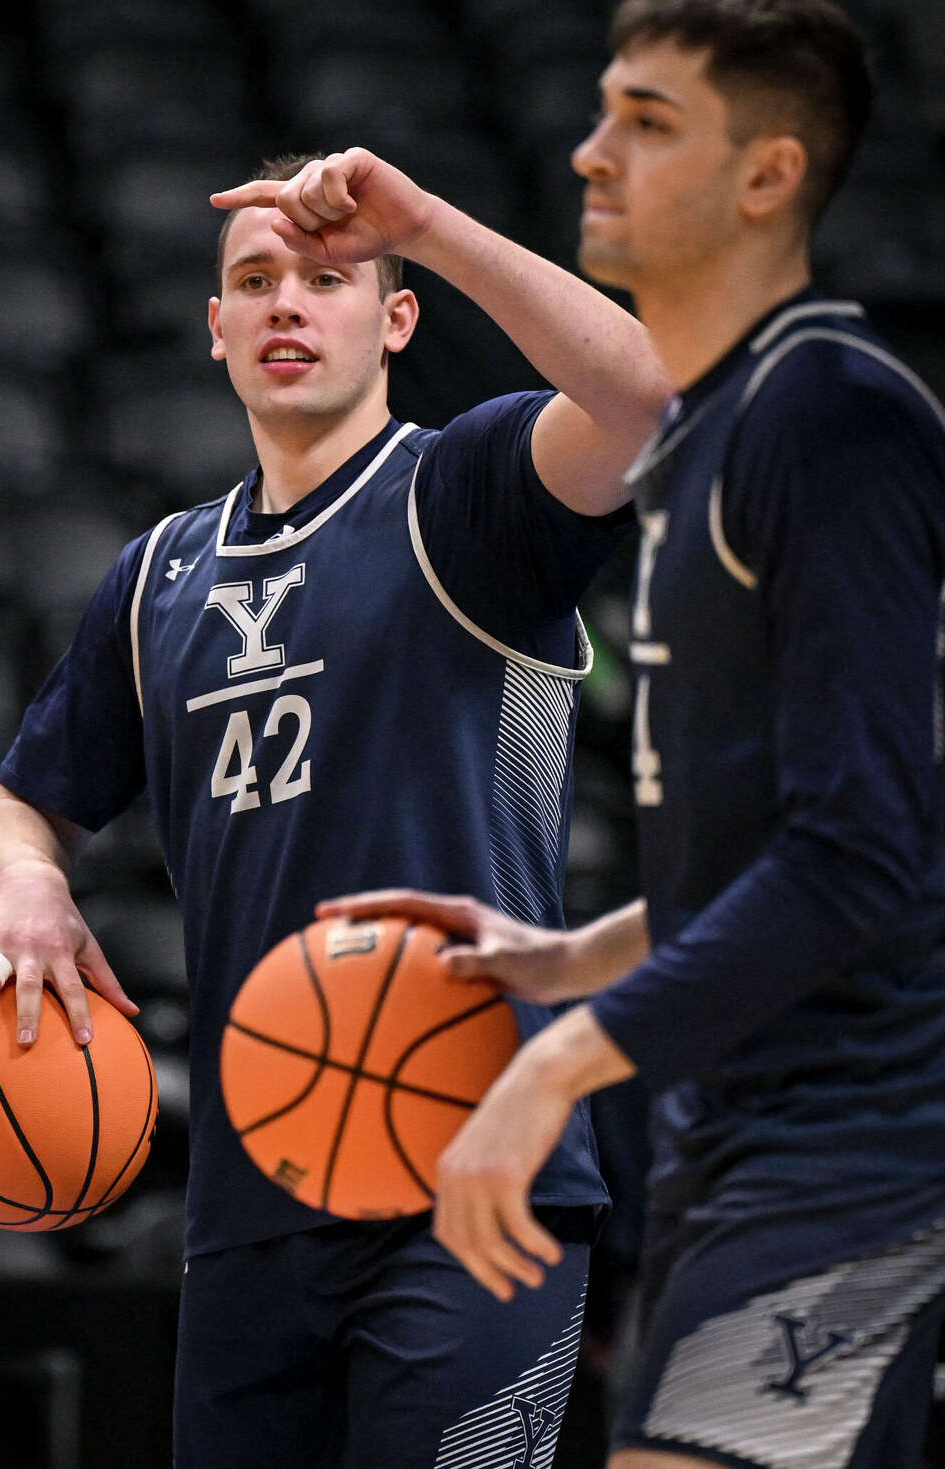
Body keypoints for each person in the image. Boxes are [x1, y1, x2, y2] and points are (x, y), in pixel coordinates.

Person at [0, 149, 670, 1468]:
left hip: (475, 1179)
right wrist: (29, 880)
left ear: (395, 318)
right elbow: (16, 810)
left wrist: (432, 228)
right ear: (215, 329)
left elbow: (642, 396)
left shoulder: (465, 493)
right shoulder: (157, 575)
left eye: (330, 277)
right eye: (256, 280)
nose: (288, 302)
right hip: (251, 1205)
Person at [321, 3, 945, 1467]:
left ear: (768, 177)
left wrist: (558, 1061)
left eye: (649, 123)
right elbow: (778, 843)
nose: (593, 153)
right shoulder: (720, 429)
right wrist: (565, 959)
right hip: (742, 1136)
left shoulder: (830, 421)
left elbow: (863, 856)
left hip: (855, 1146)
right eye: (602, 110)